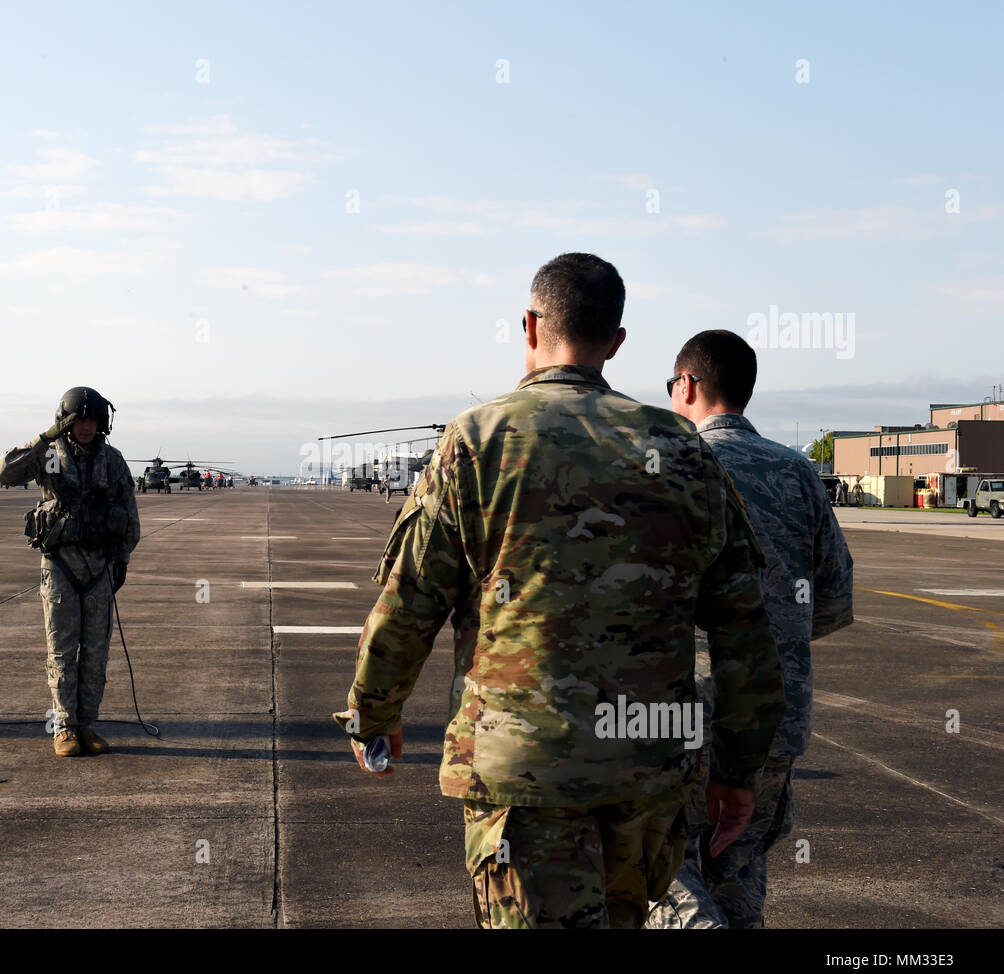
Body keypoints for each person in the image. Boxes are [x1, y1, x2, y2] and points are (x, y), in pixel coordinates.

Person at [333, 253, 785, 929]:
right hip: (646, 772)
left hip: (522, 774)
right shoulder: (685, 450)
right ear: (618, 341)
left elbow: (409, 604)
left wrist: (373, 713)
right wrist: (739, 770)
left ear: (528, 323)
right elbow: (745, 631)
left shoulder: (476, 442)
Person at [648, 330, 853, 929]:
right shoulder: (799, 474)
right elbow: (833, 597)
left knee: (662, 868)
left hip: (675, 713)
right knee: (738, 871)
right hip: (774, 717)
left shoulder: (667, 465)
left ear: (686, 384)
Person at [0, 386, 140, 758]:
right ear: (67, 421)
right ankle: (64, 728)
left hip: (99, 567)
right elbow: (5, 473)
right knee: (61, 651)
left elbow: (129, 513)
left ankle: (87, 725)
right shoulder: (49, 456)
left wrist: (122, 558)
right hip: (60, 565)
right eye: (79, 420)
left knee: (95, 653)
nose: (87, 427)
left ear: (102, 423)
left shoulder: (113, 461)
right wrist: (46, 437)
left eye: (93, 420)